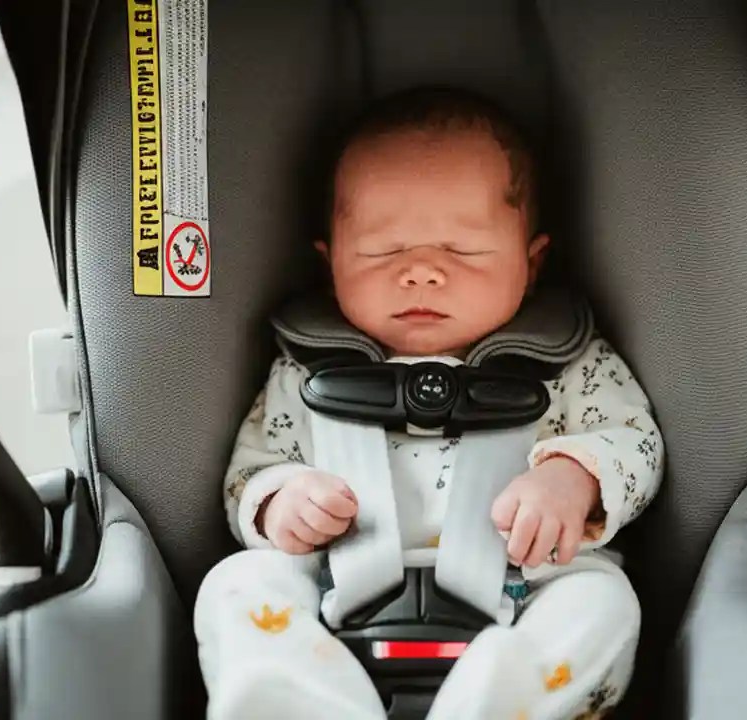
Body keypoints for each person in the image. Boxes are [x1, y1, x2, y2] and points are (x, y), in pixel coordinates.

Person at [195, 87, 664, 720]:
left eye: (463, 251)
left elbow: (632, 438)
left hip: (528, 586)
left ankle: (501, 702)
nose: (421, 273)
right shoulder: (306, 369)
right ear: (330, 263)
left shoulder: (571, 360)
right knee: (235, 585)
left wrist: (572, 477)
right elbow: (249, 471)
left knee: (603, 605)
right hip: (334, 590)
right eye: (382, 252)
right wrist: (280, 499)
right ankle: (303, 702)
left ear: (532, 261)